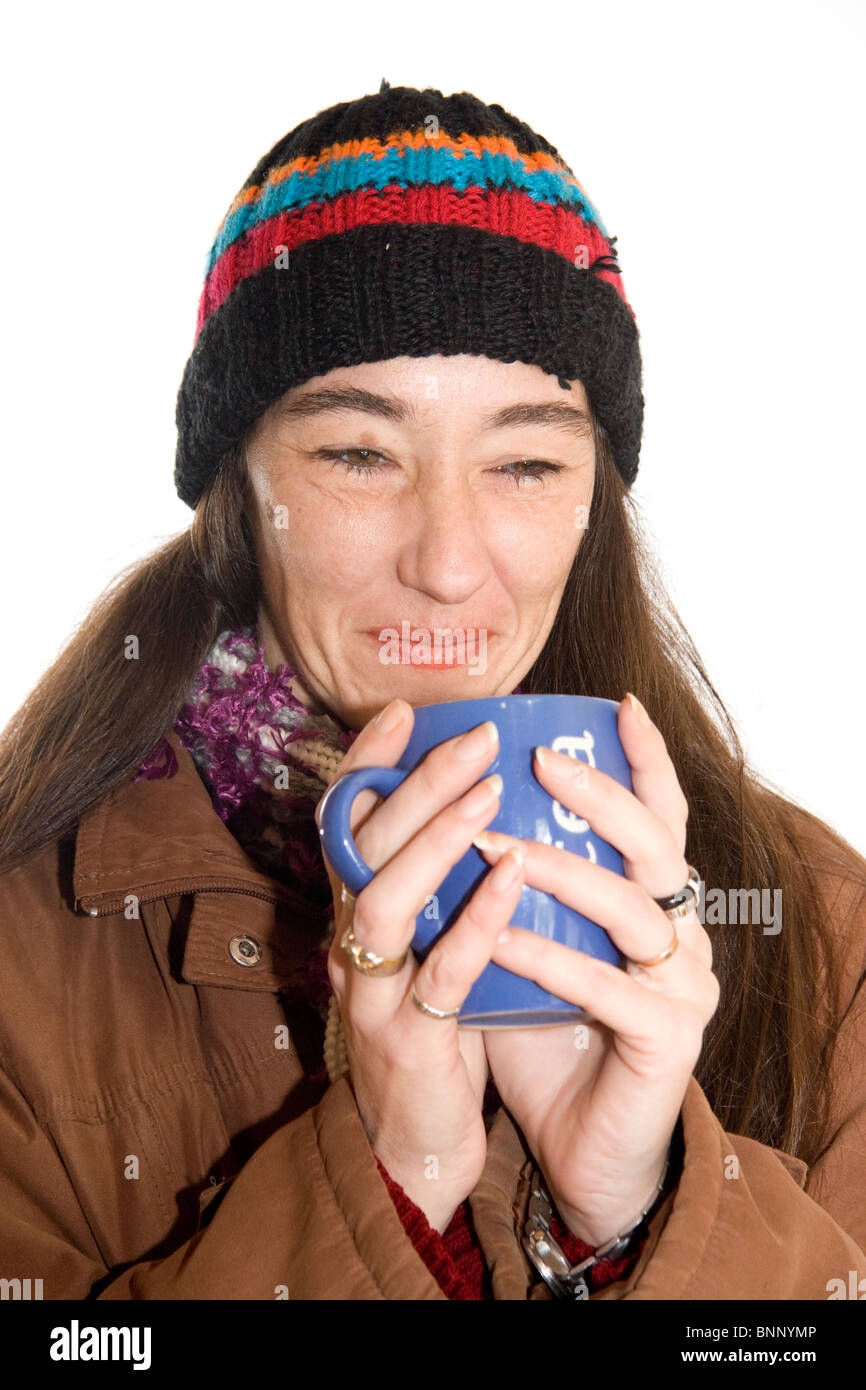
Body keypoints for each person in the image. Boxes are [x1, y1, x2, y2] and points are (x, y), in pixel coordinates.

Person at [0, 80, 864, 1303]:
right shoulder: (21, 961)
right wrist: (385, 1175)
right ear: (239, 492)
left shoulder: (821, 933)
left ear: (591, 504)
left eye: (522, 462)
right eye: (358, 453)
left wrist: (634, 1216)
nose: (449, 564)